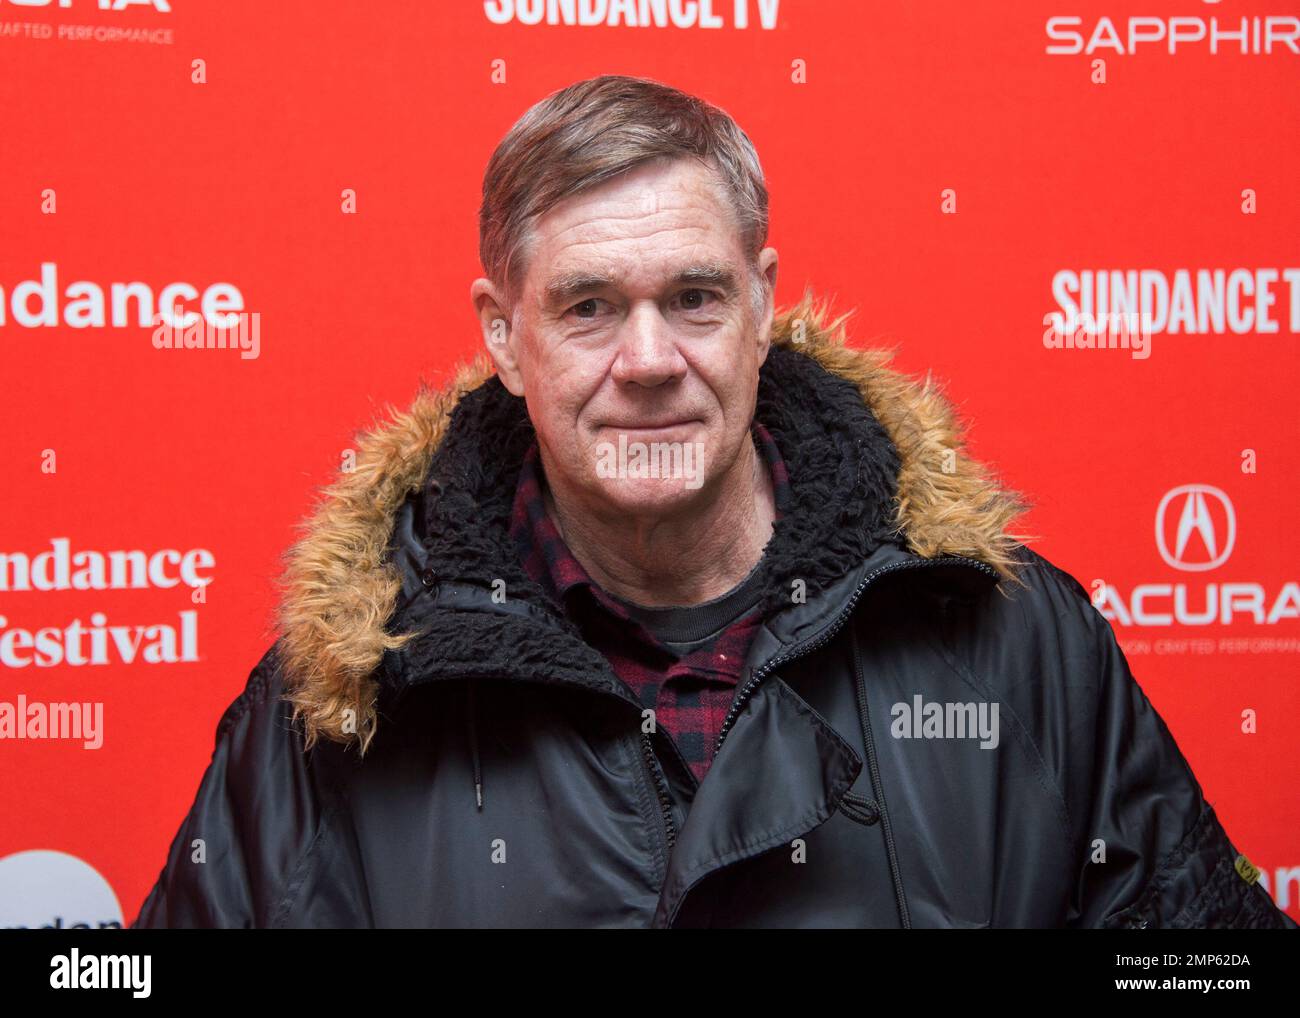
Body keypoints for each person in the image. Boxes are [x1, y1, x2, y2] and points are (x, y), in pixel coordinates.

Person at [133, 74, 1295, 929]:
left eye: (692, 297)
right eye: (588, 306)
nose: (647, 359)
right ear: (502, 335)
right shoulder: (351, 693)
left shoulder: (1011, 640)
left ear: (761, 302)